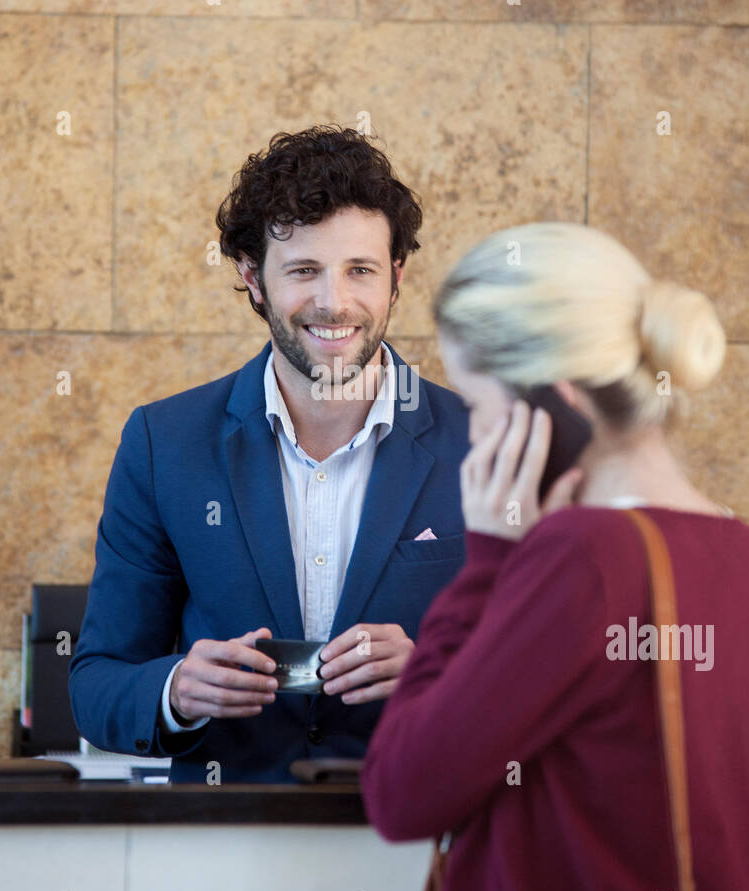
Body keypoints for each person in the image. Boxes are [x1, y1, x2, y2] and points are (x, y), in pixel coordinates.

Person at [361, 221, 749, 891]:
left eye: (481, 408)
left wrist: (488, 558)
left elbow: (401, 791)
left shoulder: (583, 558)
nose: (475, 443)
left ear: (552, 405)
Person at [69, 126, 470, 782]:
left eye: (359, 270)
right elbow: (96, 685)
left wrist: (441, 670)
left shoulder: (485, 441)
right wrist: (175, 691)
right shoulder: (162, 443)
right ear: (252, 278)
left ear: (396, 278)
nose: (333, 302)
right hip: (226, 849)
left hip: (425, 850)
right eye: (303, 270)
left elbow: (562, 678)